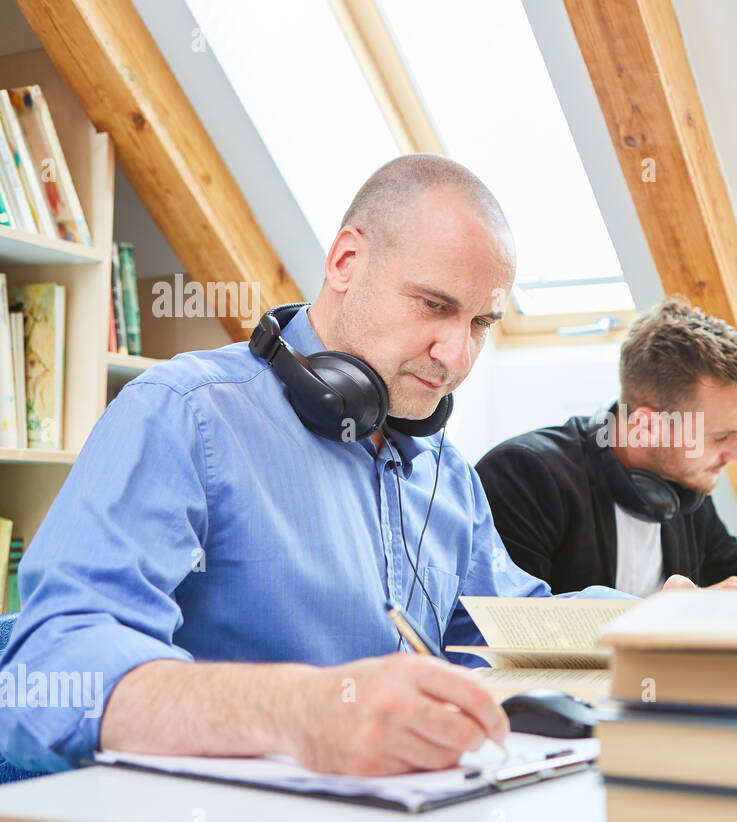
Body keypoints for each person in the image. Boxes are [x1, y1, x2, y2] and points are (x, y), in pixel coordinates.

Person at [0, 155, 628, 777]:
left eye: (481, 322)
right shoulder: (185, 415)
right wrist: (298, 712)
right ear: (346, 262)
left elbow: (512, 636)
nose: (456, 355)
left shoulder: (446, 472)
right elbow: (47, 678)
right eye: (434, 305)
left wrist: (662, 625)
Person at [476, 297, 737, 597]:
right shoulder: (524, 476)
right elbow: (516, 628)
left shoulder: (683, 483)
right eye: (721, 436)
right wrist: (669, 619)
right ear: (646, 426)